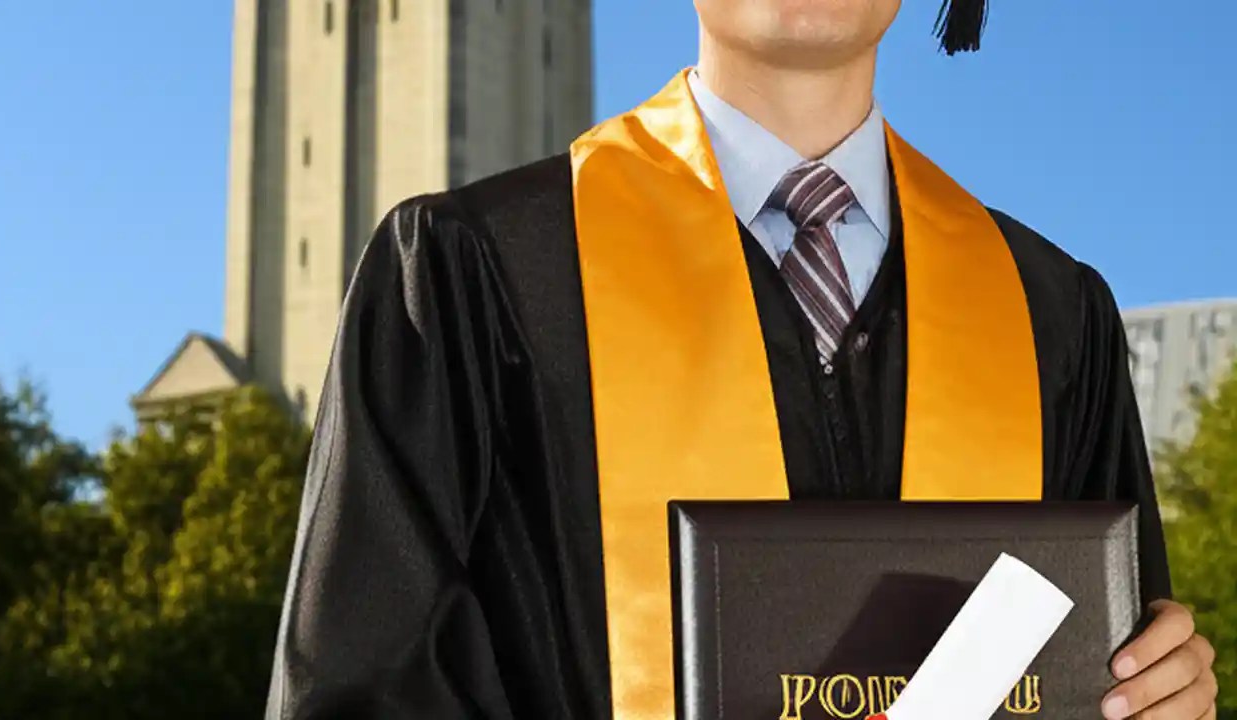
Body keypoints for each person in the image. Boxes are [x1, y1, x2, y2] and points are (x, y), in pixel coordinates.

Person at [265, 0, 1218, 718]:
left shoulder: (1055, 317)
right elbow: (357, 690)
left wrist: (1160, 696)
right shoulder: (471, 277)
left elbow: (1101, 665)